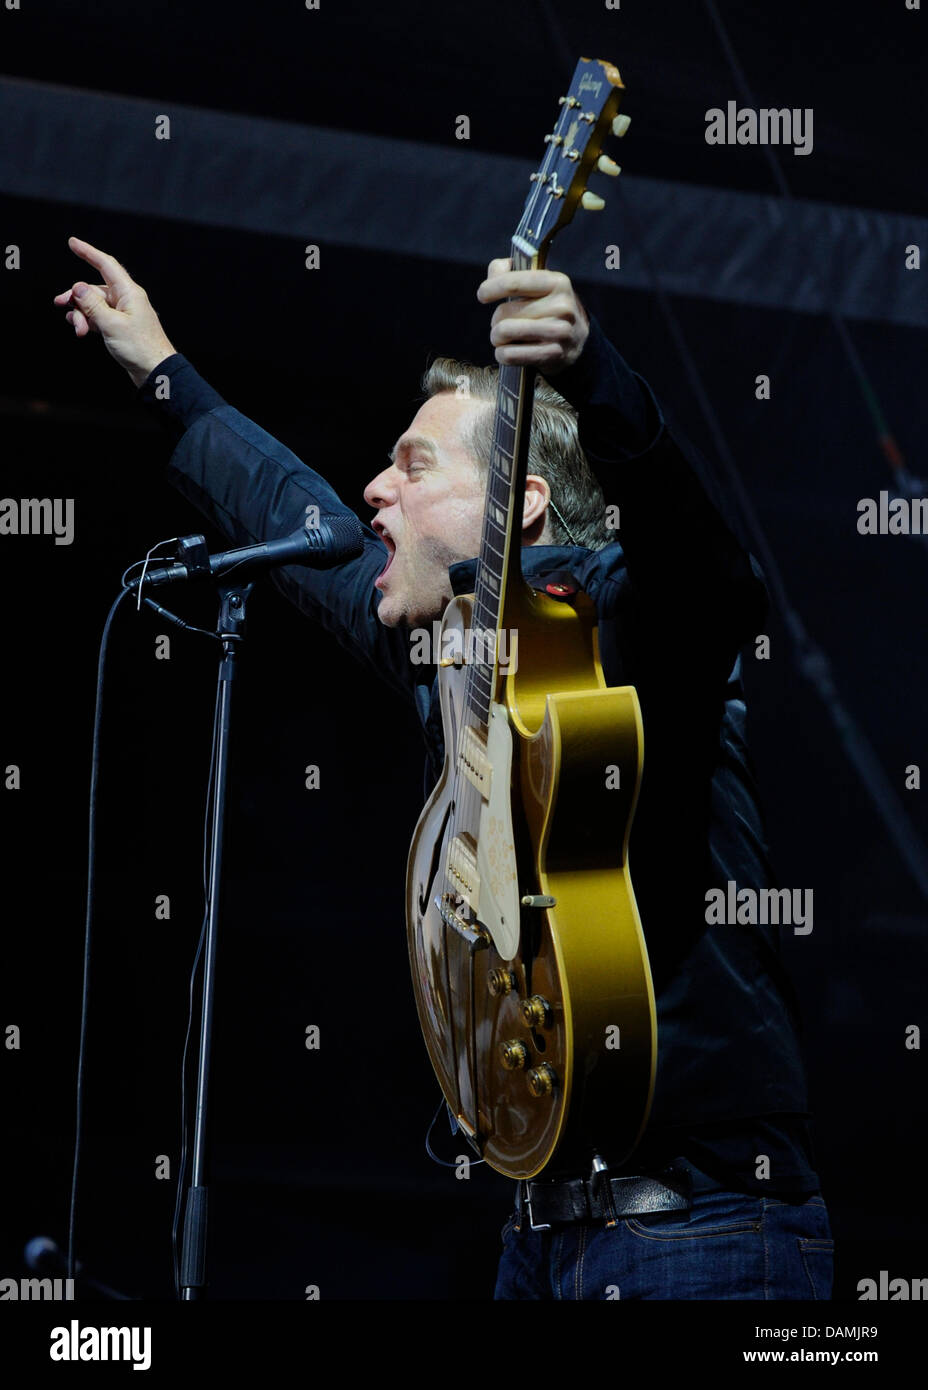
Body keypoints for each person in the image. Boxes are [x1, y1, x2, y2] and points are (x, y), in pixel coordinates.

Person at [54, 236, 833, 1301]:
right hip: (537, 1236)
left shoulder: (622, 622)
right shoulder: (448, 654)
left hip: (700, 1228)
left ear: (516, 508)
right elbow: (310, 526)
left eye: (413, 465)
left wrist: (593, 373)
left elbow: (709, 576)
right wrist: (163, 372)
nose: (373, 487)